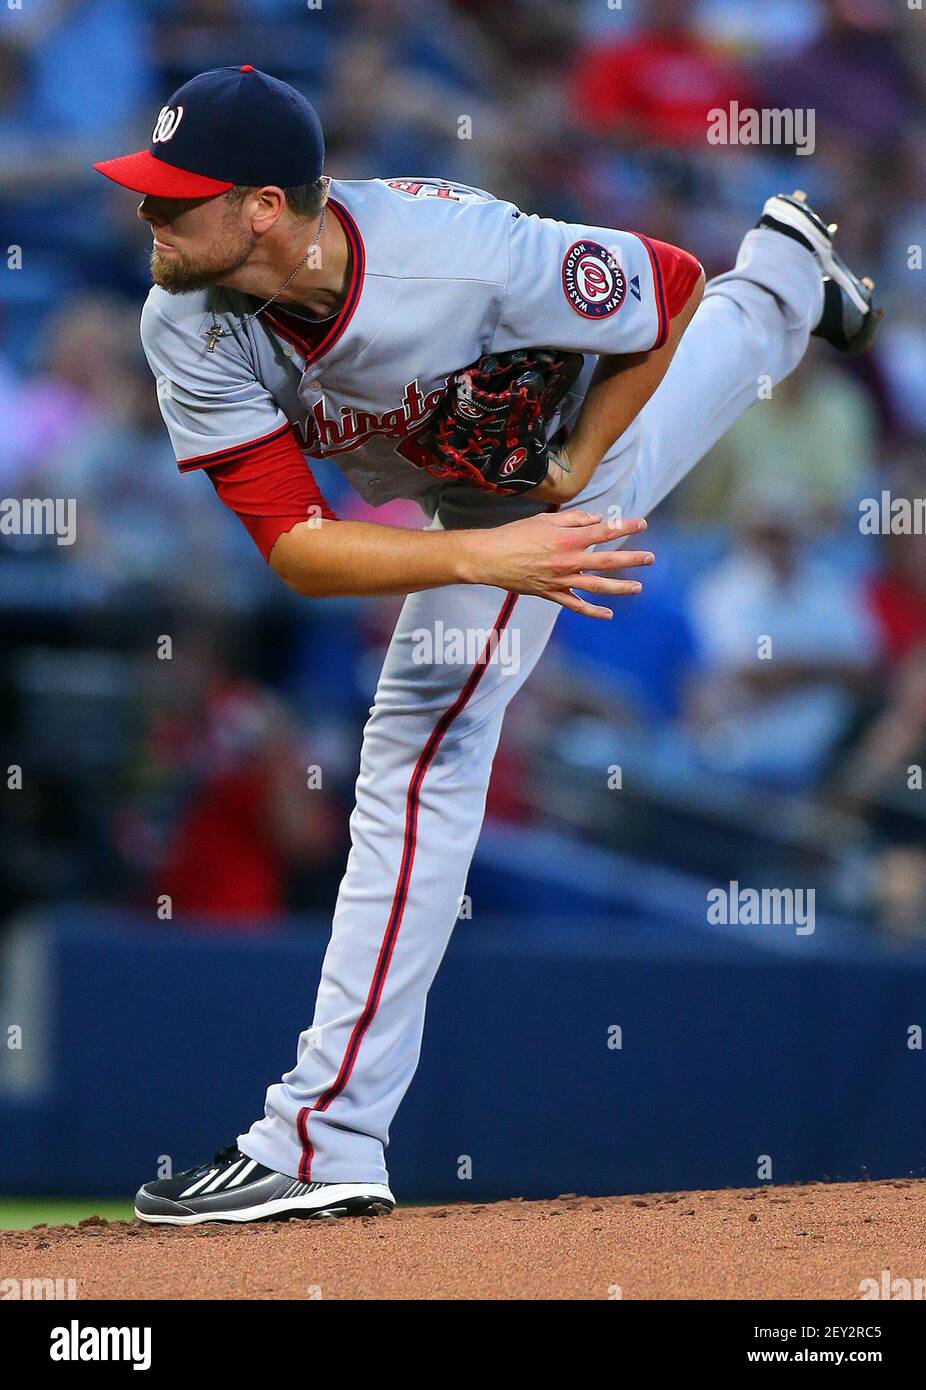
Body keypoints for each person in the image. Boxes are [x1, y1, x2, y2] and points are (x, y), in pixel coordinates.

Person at [93, 65, 879, 1223]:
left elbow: (658, 287)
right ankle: (780, 275)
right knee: (696, 380)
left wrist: (566, 471)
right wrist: (476, 558)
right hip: (467, 511)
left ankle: (322, 1138)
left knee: (417, 755)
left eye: (174, 196)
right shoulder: (186, 318)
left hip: (545, 462)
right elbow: (301, 549)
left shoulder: (460, 254)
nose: (147, 214)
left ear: (263, 206)